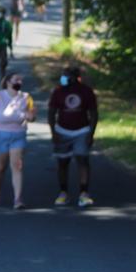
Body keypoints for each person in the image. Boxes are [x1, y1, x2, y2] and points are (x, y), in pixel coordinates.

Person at [0, 73, 35, 209]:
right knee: (1, 167)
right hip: (0, 135)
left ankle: (18, 198)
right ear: (8, 82)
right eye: (16, 79)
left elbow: (32, 115)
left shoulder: (26, 97)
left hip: (18, 135)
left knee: (17, 166)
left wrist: (30, 116)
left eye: (20, 80)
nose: (19, 82)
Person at [48, 65, 98, 207]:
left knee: (82, 160)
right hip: (62, 131)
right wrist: (53, 132)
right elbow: (51, 112)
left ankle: (84, 193)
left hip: (82, 130)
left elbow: (94, 113)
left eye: (66, 75)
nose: (63, 78)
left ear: (74, 77)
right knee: (63, 162)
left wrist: (91, 133)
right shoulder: (58, 91)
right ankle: (63, 193)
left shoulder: (86, 91)